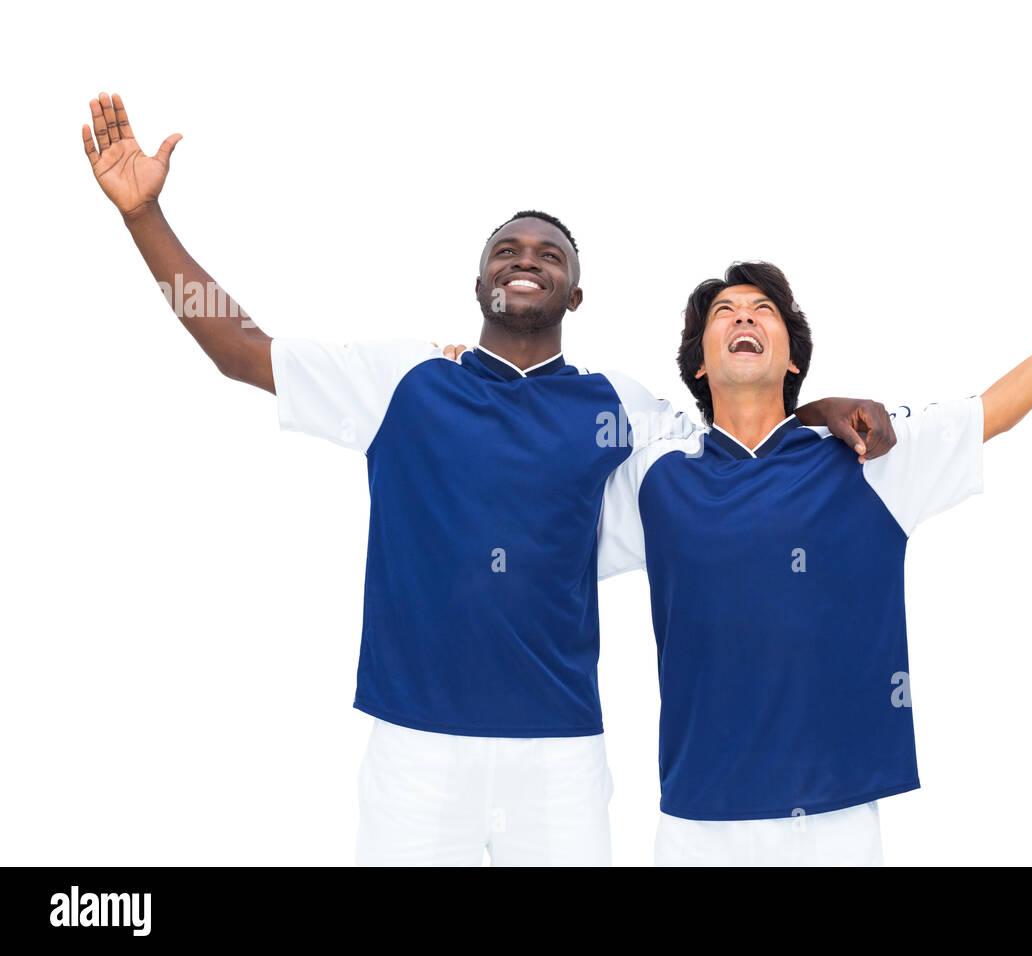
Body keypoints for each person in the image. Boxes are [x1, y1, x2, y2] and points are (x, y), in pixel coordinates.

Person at [80, 91, 899, 866]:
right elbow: (242, 353)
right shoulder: (404, 380)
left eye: (549, 255)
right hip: (414, 746)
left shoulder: (619, 403)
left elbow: (735, 433)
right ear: (479, 282)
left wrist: (826, 405)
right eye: (506, 250)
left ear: (576, 292)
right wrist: (145, 215)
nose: (525, 261)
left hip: (561, 754)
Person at [597, 236, 1032, 865]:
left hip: (836, 824)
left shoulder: (868, 456)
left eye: (763, 310)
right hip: (695, 826)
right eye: (724, 313)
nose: (744, 318)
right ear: (699, 364)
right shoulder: (655, 476)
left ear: (791, 360)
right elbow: (539, 524)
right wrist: (471, 382)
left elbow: (994, 411)